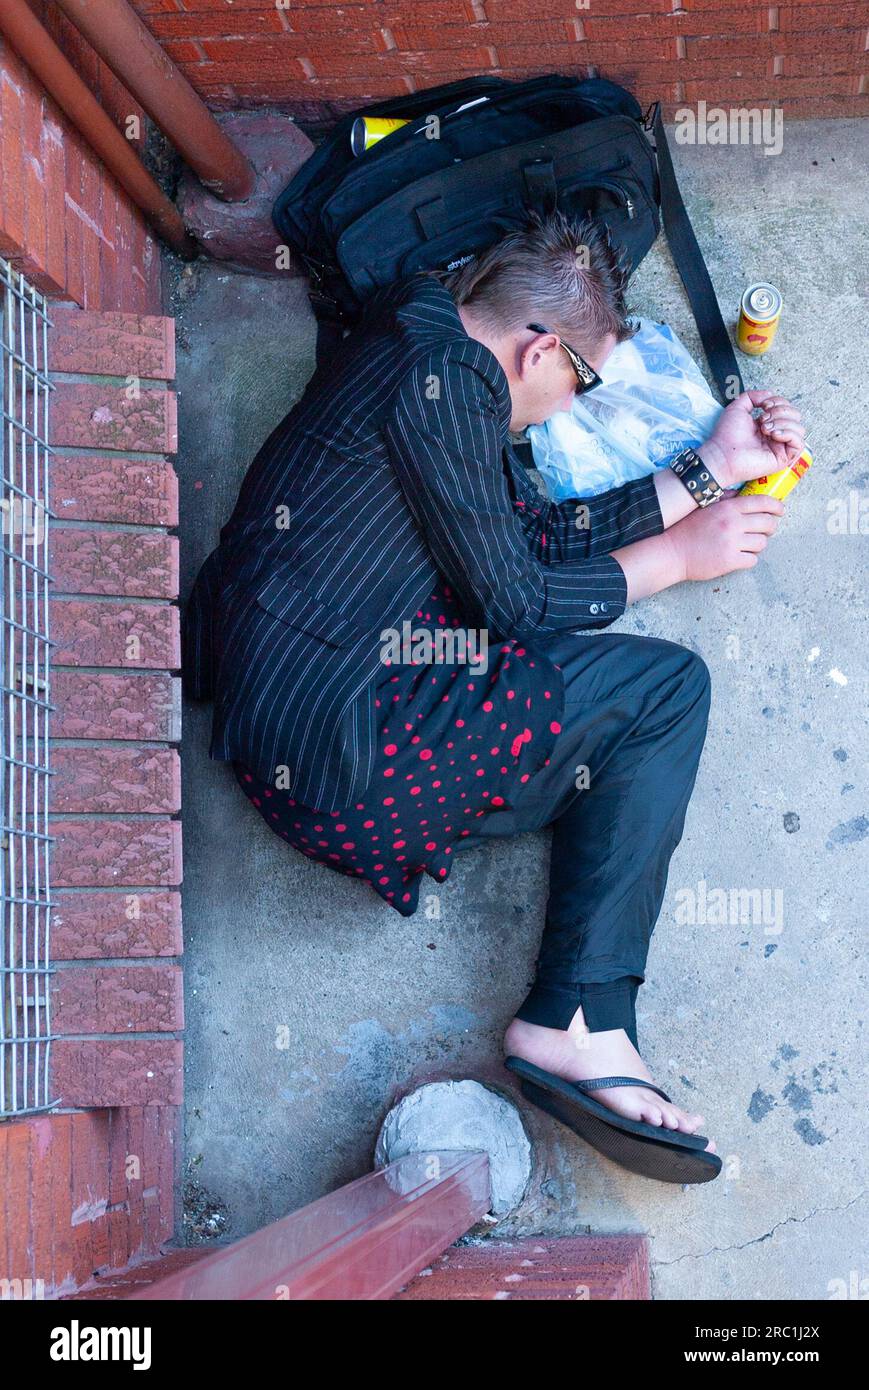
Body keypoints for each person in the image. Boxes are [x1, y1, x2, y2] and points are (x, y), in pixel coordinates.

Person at [184, 212, 804, 1183]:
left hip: (294, 698)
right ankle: (576, 1018)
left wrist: (710, 469)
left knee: (605, 676)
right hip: (343, 758)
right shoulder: (451, 392)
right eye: (581, 383)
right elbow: (514, 598)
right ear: (539, 348)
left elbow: (526, 540)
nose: (569, 407)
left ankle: (581, 1011)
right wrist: (676, 558)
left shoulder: (414, 336)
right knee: (658, 694)